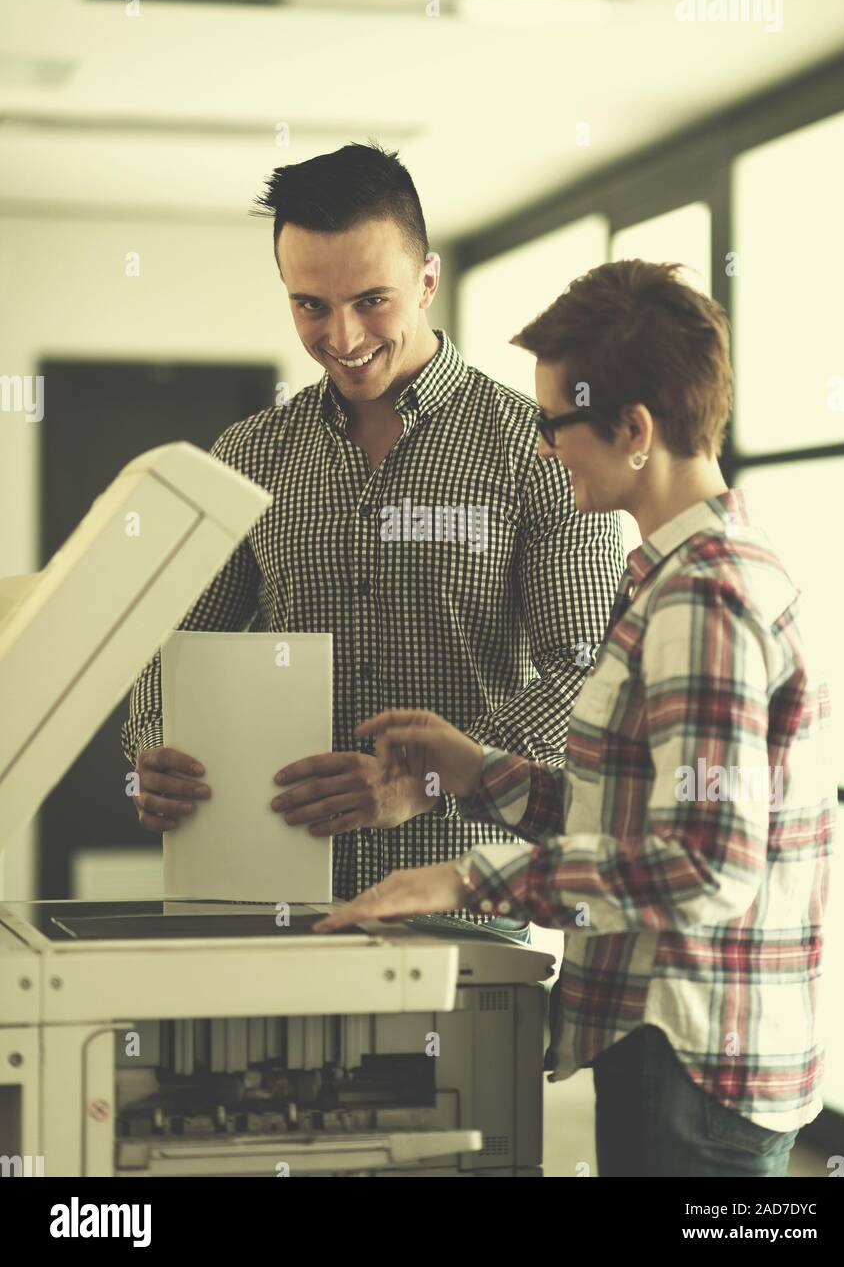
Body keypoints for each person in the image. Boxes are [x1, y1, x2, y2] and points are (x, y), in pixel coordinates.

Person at [316, 259, 835, 1177]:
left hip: (692, 1069)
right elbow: (635, 822)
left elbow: (706, 866)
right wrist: (475, 768)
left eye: (556, 422)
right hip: (681, 1056)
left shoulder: (701, 601)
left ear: (633, 428)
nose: (546, 448)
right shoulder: (679, 580)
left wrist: (471, 880)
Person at [121, 143, 624, 934]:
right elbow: (173, 639)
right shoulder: (250, 454)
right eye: (309, 305)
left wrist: (429, 780)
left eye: (371, 300)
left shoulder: (540, 449)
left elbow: (590, 674)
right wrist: (153, 746)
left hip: (461, 911)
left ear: (426, 280)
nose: (343, 336)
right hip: (270, 898)